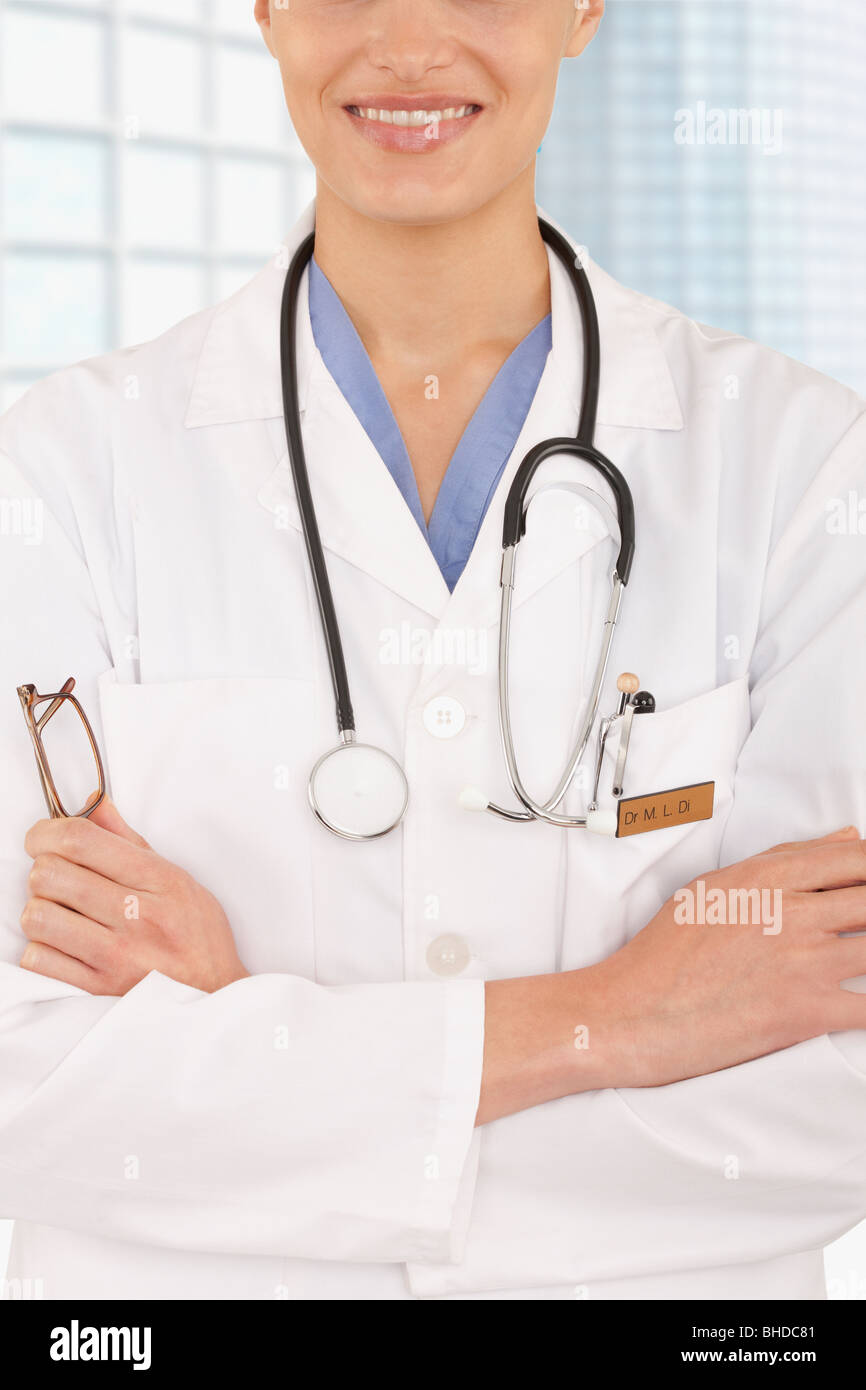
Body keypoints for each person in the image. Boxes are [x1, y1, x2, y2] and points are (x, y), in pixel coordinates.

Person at [1, 0, 865, 1302]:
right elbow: (31, 1092)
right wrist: (619, 1019)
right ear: (267, 9)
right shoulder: (64, 471)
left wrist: (251, 1059)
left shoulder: (799, 474)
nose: (407, 42)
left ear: (582, 8)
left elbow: (833, 1102)